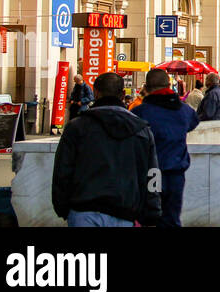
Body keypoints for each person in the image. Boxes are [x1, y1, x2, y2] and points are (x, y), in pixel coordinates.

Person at [51, 72, 160, 227]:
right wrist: (152, 212)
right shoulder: (141, 130)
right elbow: (152, 173)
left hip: (83, 210)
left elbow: (63, 170)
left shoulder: (77, 127)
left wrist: (62, 206)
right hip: (125, 211)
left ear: (95, 92)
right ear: (123, 94)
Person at [131, 67, 199, 227]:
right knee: (172, 217)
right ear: (169, 86)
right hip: (176, 171)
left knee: (147, 217)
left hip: (151, 173)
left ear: (146, 88)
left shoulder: (140, 112)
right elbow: (193, 123)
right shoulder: (184, 111)